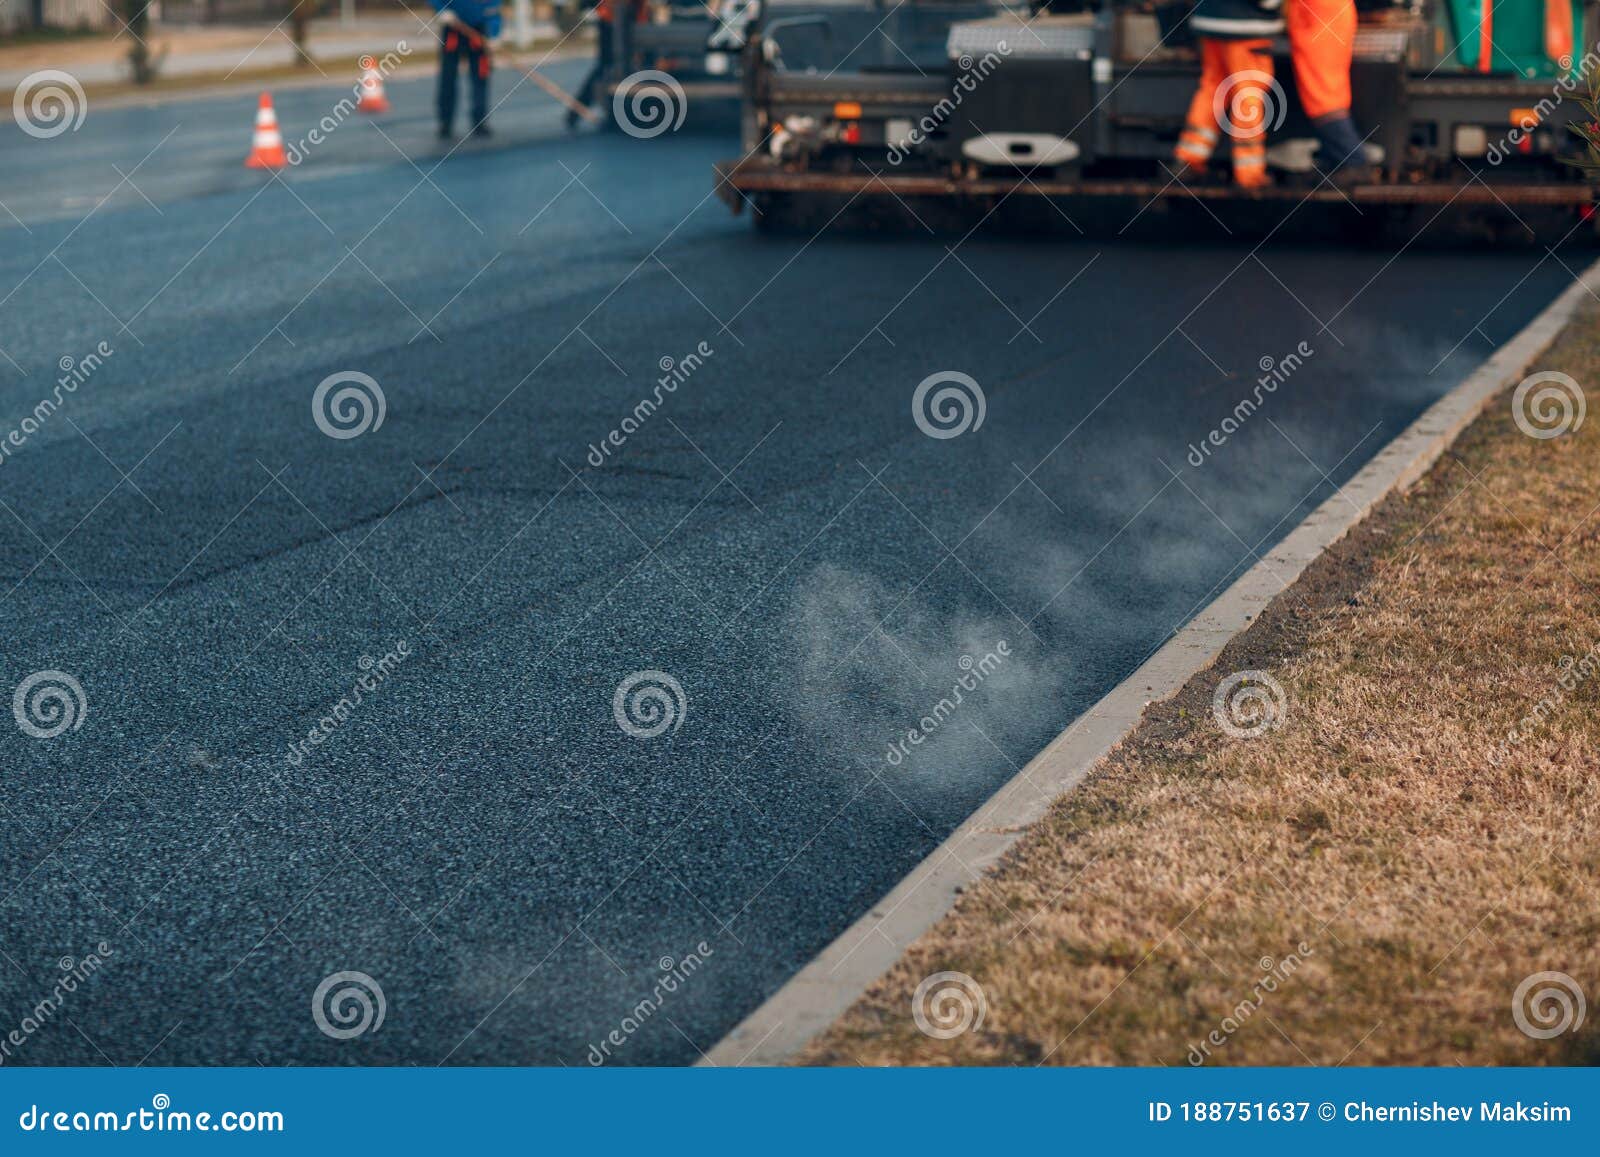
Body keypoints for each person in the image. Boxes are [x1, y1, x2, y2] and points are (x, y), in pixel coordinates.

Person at [1173, 0, 1284, 189]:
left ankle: (1188, 159)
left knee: (1213, 87)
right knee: (1248, 93)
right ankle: (1250, 175)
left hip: (1209, 20)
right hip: (1246, 28)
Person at [1286, 0, 1371, 182]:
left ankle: (1354, 162)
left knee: (1323, 96)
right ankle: (1336, 160)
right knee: (1326, 91)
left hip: (1319, 19)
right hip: (1322, 17)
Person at [568, 0, 650, 131]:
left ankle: (576, 113)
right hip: (612, 21)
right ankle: (576, 113)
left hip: (625, 18)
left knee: (612, 68)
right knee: (607, 67)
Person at [432, 0, 503, 138]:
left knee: (481, 77)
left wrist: (494, 35)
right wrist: (442, 10)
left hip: (479, 33)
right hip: (454, 29)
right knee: (448, 78)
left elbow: (493, 11)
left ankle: (480, 122)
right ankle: (445, 123)